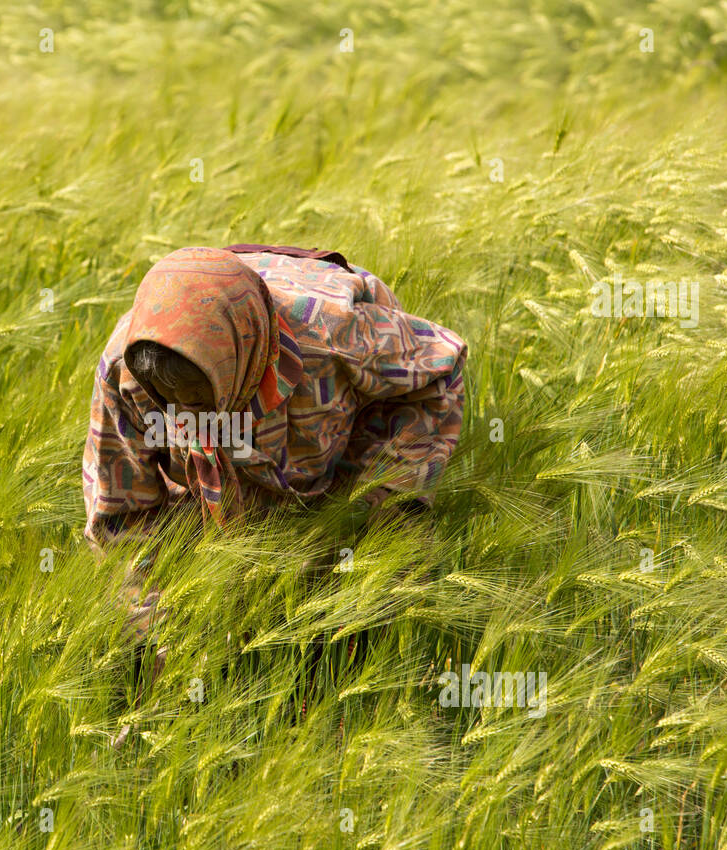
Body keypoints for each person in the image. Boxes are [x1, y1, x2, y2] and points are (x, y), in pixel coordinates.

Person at [82, 244, 467, 640]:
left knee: (382, 566)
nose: (185, 417)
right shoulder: (124, 372)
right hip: (226, 357)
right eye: (167, 400)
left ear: (233, 363)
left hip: (334, 427)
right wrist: (152, 630)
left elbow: (442, 367)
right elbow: (120, 519)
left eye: (197, 397)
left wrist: (379, 494)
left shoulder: (335, 336)